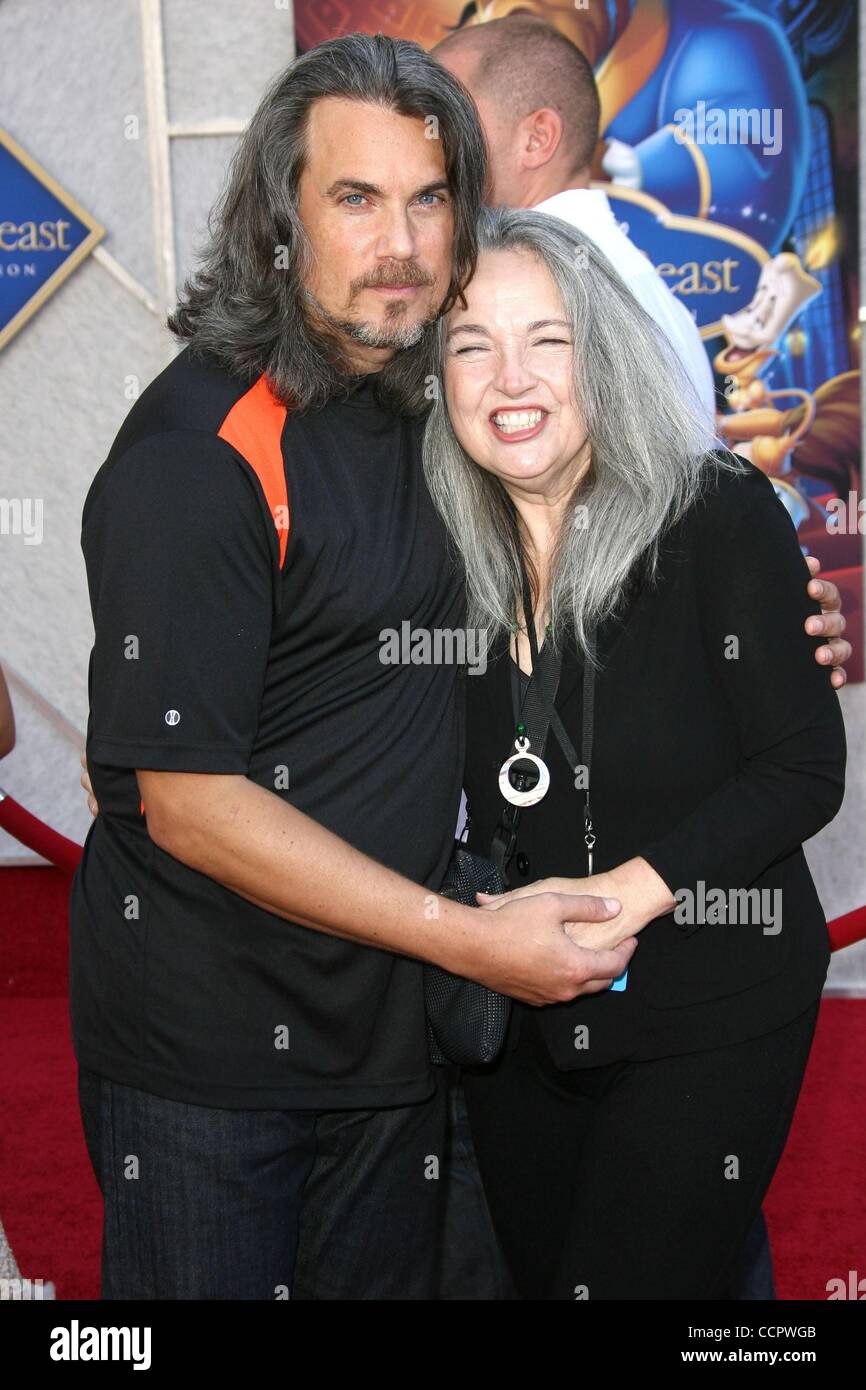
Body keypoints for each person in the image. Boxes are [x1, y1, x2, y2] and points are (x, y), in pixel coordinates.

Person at [73, 35, 850, 1303]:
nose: (401, 243)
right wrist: (470, 944)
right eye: (354, 198)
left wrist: (779, 606)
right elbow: (187, 800)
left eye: (429, 197)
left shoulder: (432, 420)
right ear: (280, 216)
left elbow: (646, 597)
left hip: (418, 1049)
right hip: (220, 1059)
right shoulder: (196, 454)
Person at [422, 203, 847, 1299]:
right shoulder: (423, 547)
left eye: (545, 340)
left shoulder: (712, 513)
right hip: (509, 1017)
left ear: (598, 353)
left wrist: (628, 893)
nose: (508, 378)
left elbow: (801, 765)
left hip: (707, 1003)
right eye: (471, 344)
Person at [433, 13, 716, 428]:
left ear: (537, 139)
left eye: (449, 118)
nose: (429, 140)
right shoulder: (625, 278)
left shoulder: (562, 288)